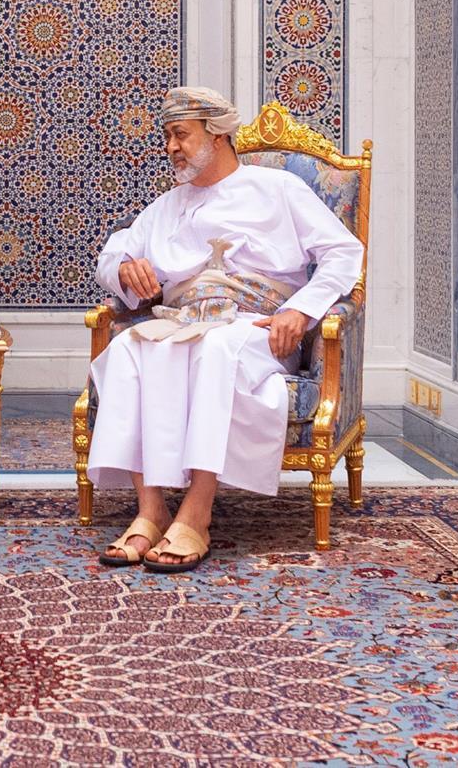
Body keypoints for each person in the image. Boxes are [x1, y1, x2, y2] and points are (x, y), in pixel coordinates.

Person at [87, 86, 364, 573]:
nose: (171, 147)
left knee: (216, 348)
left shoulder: (279, 190)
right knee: (128, 346)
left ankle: (197, 512)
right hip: (183, 323)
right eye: (167, 136)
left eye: (181, 135)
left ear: (218, 136)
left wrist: (300, 312)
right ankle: (151, 510)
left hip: (256, 328)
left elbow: (344, 254)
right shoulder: (167, 206)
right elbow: (110, 257)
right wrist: (125, 269)